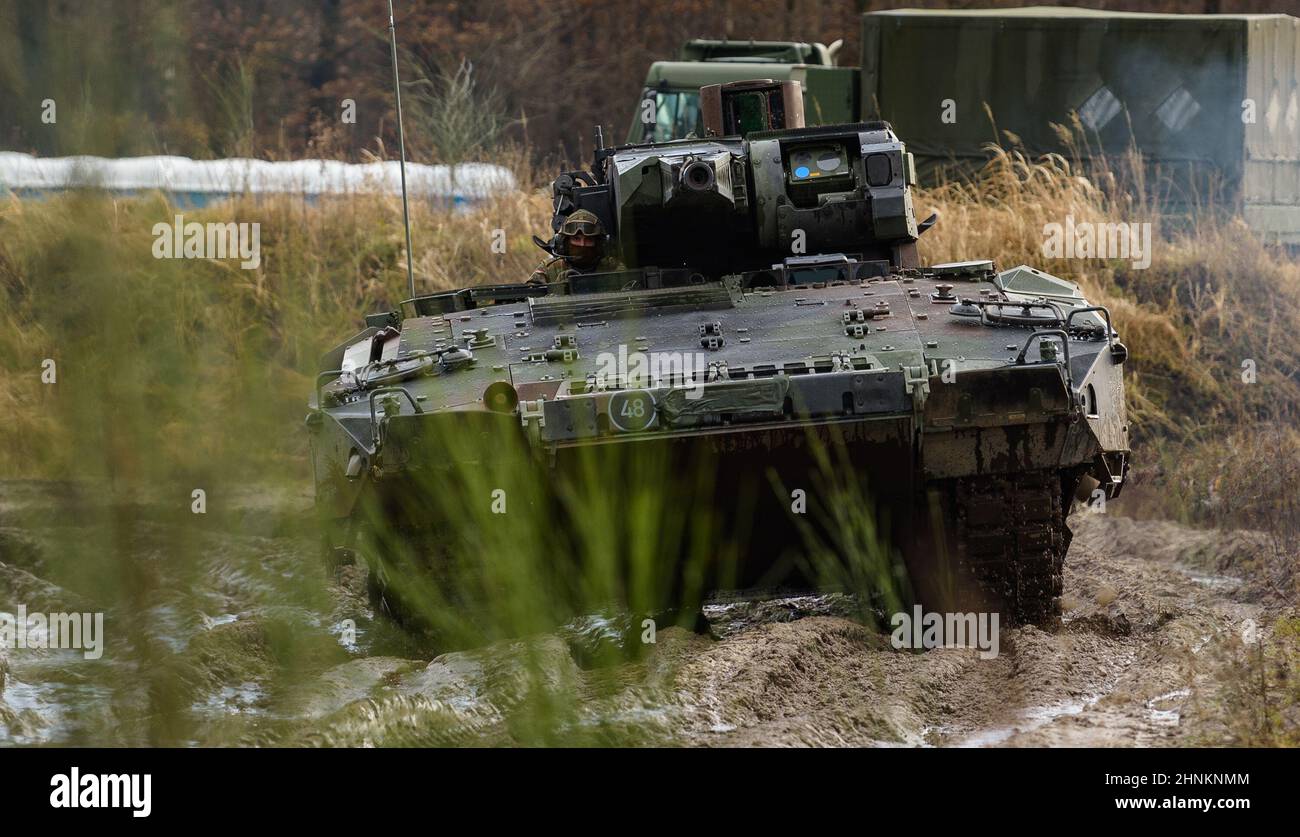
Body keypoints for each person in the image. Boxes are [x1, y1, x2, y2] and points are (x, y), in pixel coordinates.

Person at [529, 209, 621, 285]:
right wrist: (557, 290)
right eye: (576, 239)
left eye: (588, 239)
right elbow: (527, 299)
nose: (582, 244)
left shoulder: (613, 267)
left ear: (599, 244)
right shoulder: (550, 269)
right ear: (563, 242)